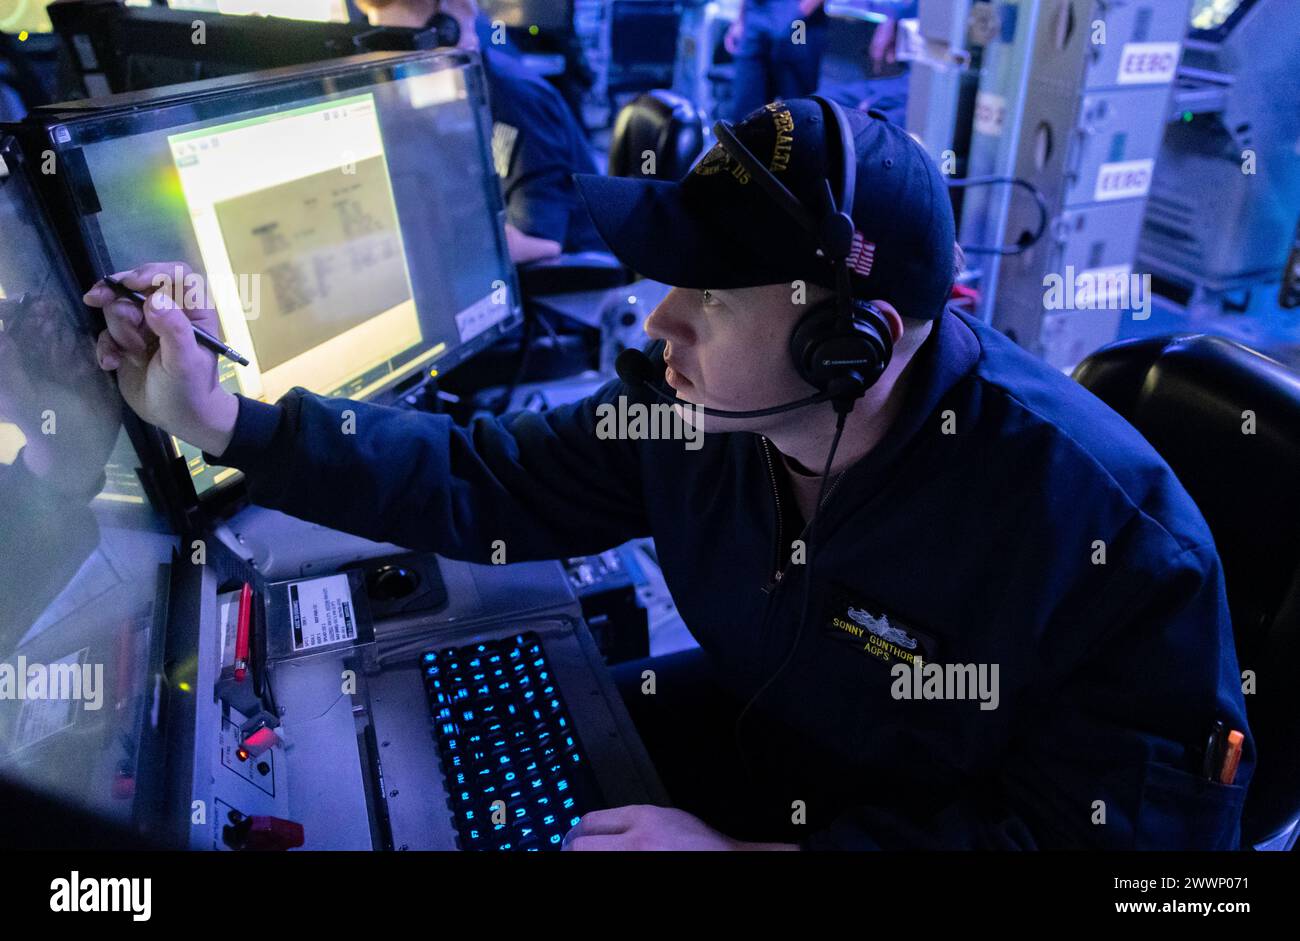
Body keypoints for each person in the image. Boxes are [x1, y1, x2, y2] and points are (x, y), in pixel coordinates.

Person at [87, 98, 1253, 850]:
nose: (656, 323)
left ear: (855, 343)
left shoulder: (1101, 529)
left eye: (710, 297)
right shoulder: (692, 412)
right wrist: (224, 417)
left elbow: (1118, 850)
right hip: (782, 733)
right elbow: (492, 479)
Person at [355, 0, 606, 264]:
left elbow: (540, 241)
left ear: (453, 18)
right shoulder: (423, 104)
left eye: (400, 38)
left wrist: (423, 253)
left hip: (569, 282)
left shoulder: (516, 100)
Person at [725, 0, 829, 122]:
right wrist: (740, 20)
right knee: (745, 114)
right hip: (754, 18)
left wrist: (798, 12)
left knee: (797, 114)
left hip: (798, 22)